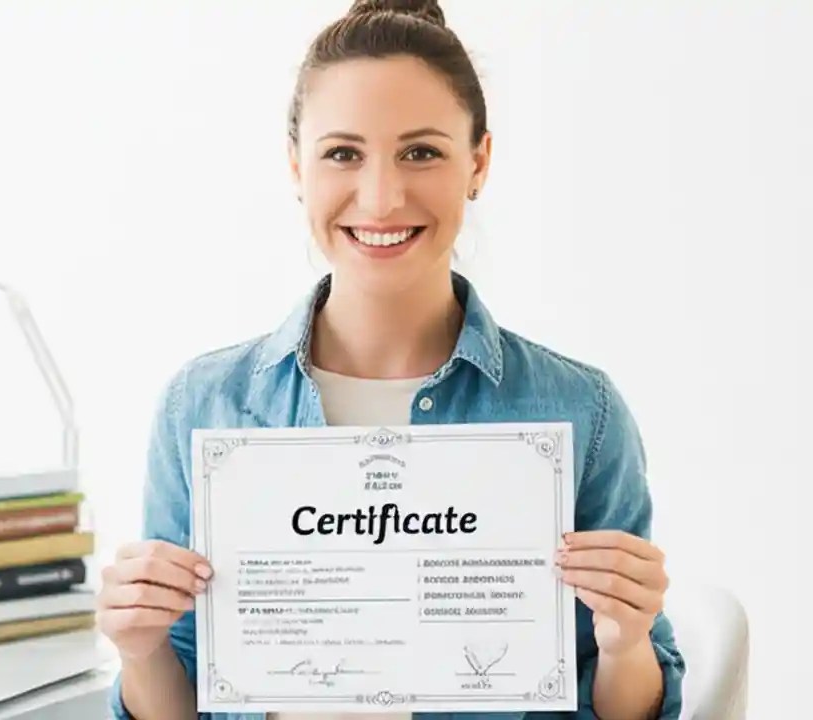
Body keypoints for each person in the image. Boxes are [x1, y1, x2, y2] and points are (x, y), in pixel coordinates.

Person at [98, 0, 686, 718]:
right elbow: (183, 697)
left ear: (479, 162)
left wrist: (626, 643)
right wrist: (140, 646)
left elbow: (629, 708)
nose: (381, 197)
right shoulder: (202, 406)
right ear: (296, 167)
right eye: (343, 153)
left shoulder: (580, 412)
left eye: (422, 152)